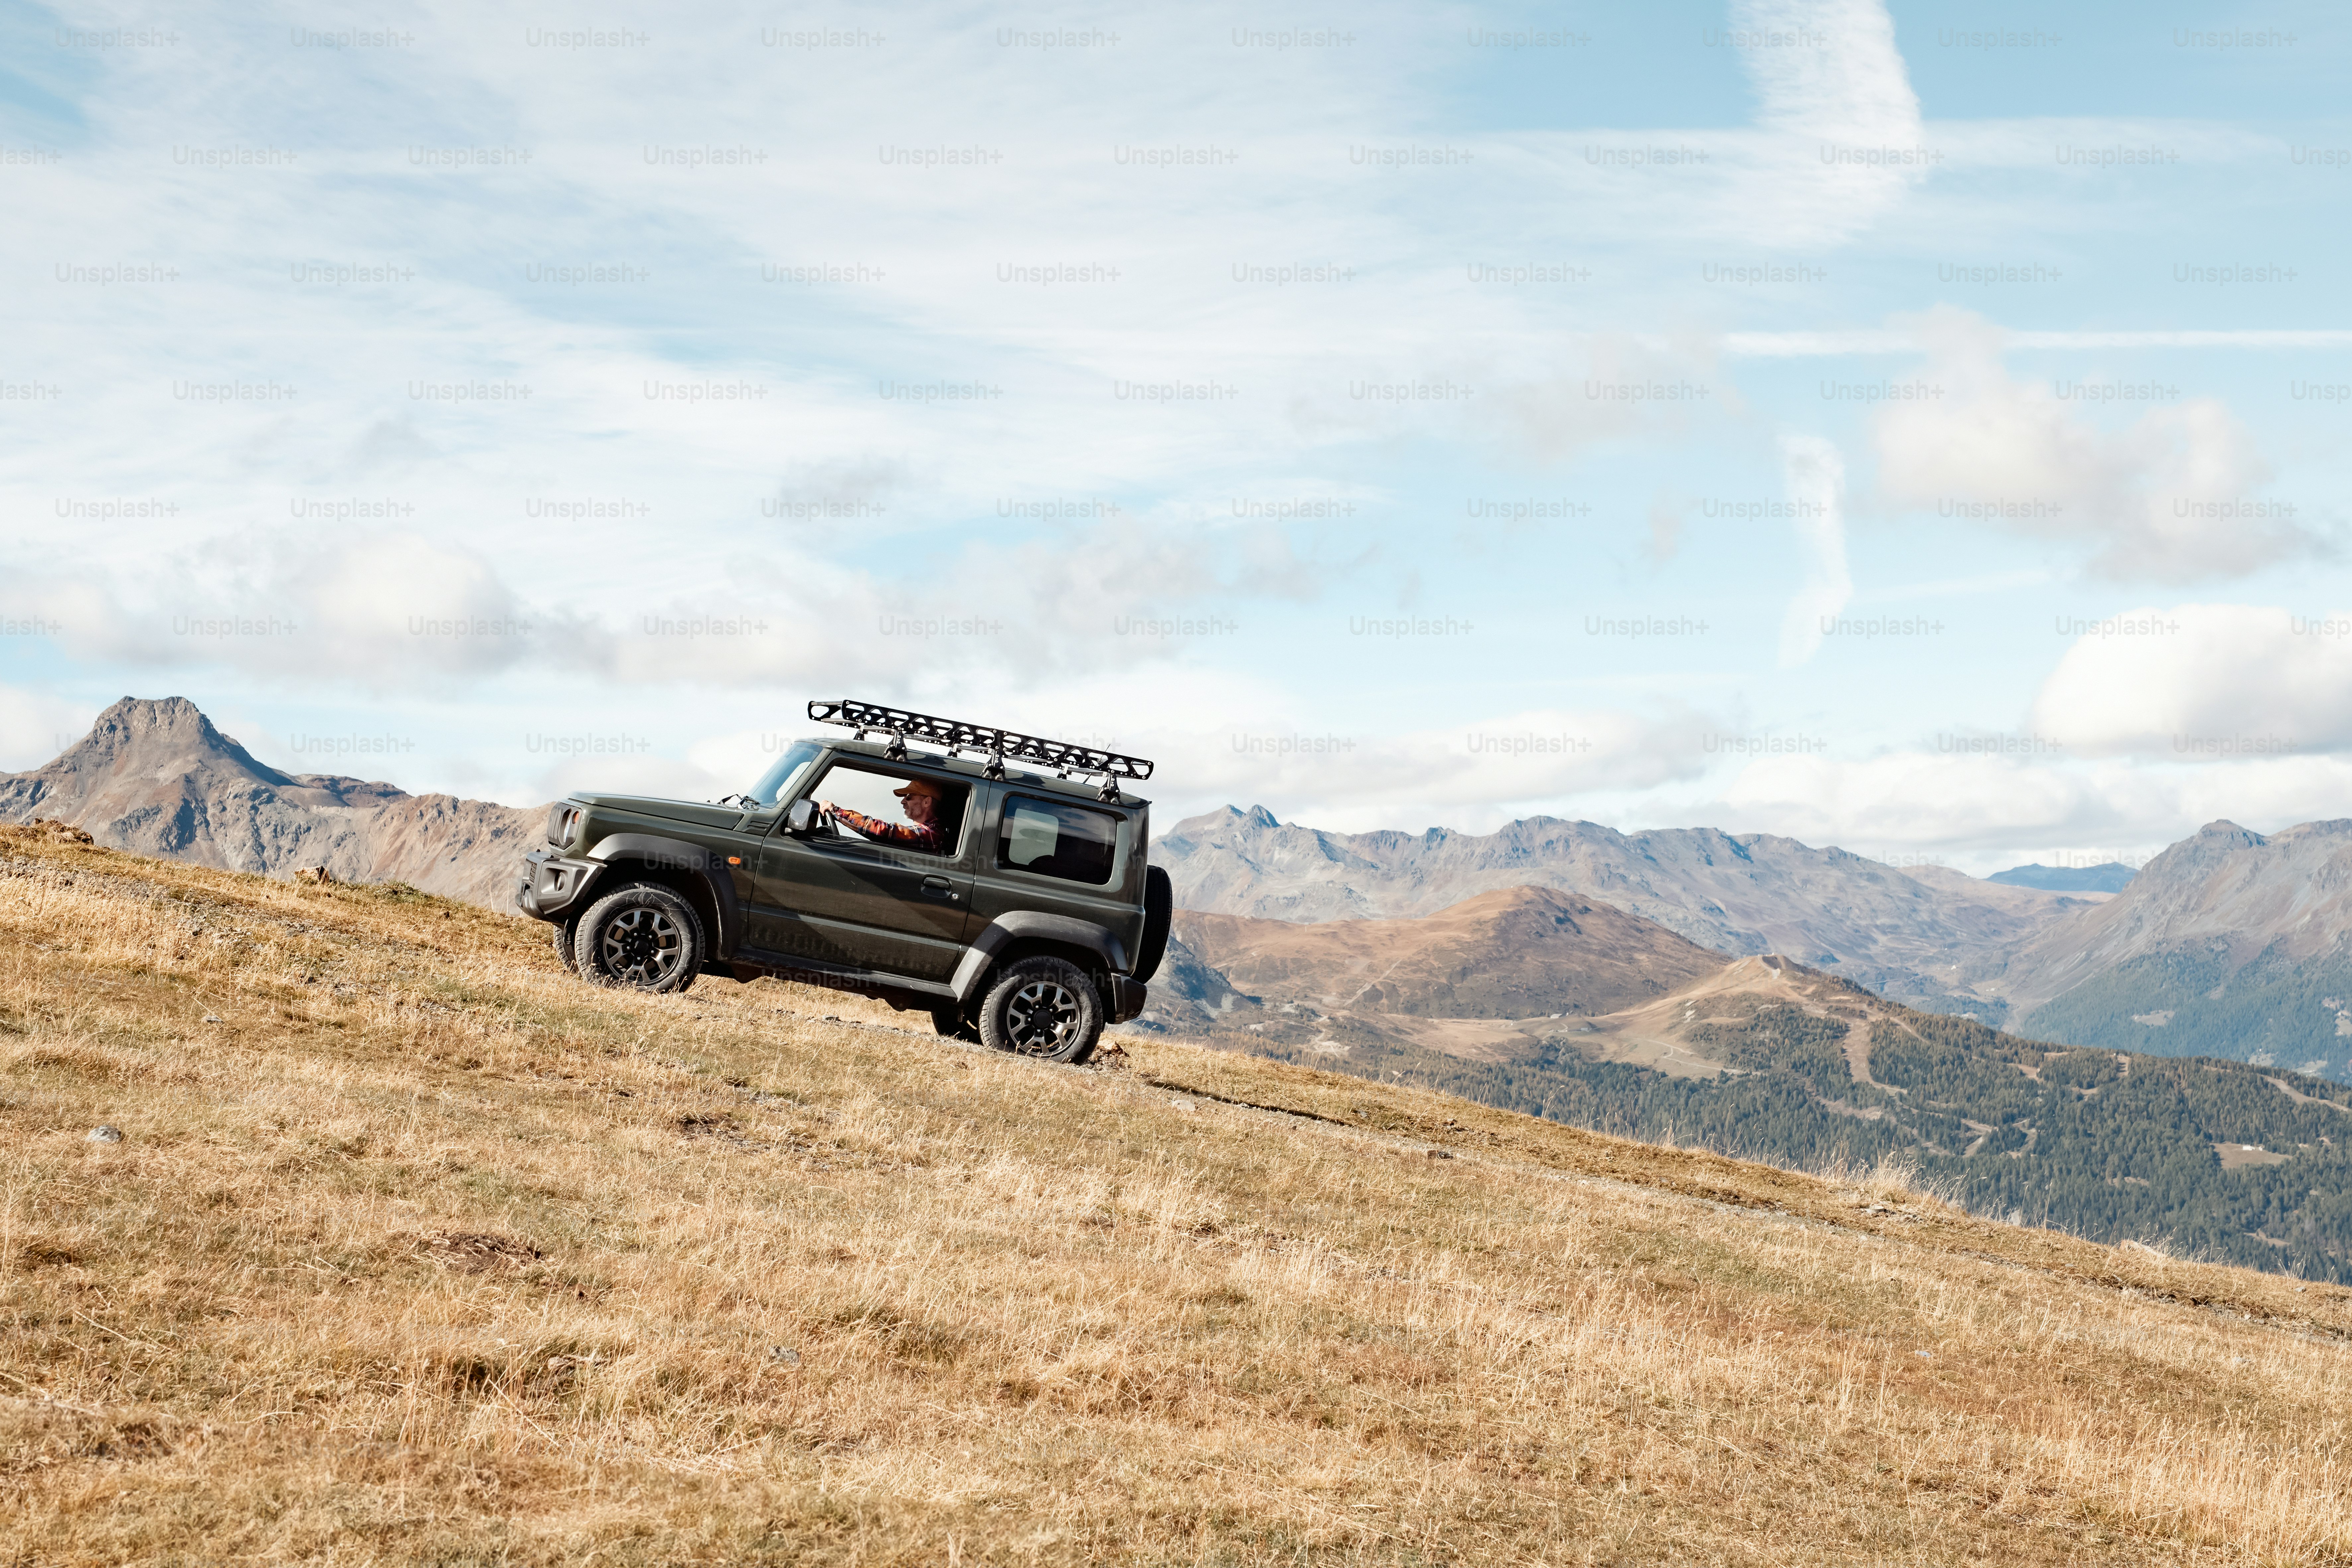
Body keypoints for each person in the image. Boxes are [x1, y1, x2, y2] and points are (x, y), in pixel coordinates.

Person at [822, 776, 948, 853]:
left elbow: (886, 832)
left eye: (909, 797)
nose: (903, 801)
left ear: (927, 802)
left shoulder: (932, 833)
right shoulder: (929, 832)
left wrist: (836, 811)